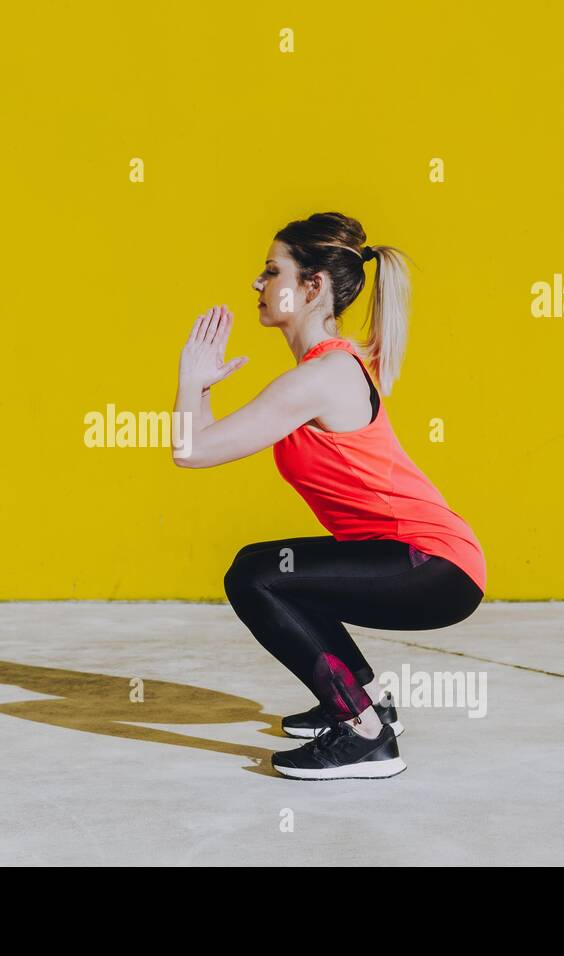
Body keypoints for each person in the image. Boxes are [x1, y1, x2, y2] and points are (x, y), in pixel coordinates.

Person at [171, 211, 486, 780]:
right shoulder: (325, 368)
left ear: (311, 286)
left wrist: (192, 382)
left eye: (272, 271)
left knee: (256, 576)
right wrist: (202, 391)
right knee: (271, 570)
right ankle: (366, 700)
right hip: (424, 562)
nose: (257, 284)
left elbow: (190, 450)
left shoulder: (322, 376)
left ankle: (363, 733)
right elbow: (197, 445)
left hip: (433, 564)